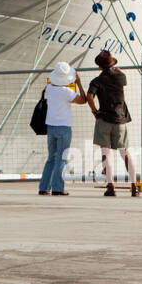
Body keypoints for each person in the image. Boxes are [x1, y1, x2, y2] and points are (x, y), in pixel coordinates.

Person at [85, 50, 140, 197]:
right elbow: (122, 78)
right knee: (125, 153)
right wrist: (118, 71)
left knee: (106, 153)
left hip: (104, 118)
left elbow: (89, 96)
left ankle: (111, 186)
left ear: (99, 66)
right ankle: (134, 186)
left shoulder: (96, 81)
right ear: (112, 64)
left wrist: (94, 111)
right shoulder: (120, 77)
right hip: (120, 118)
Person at [38, 61, 87, 196]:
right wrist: (78, 83)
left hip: (51, 126)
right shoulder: (66, 92)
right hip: (64, 127)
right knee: (62, 158)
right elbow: (83, 100)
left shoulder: (49, 88)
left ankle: (44, 187)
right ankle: (58, 188)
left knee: (51, 158)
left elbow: (53, 84)